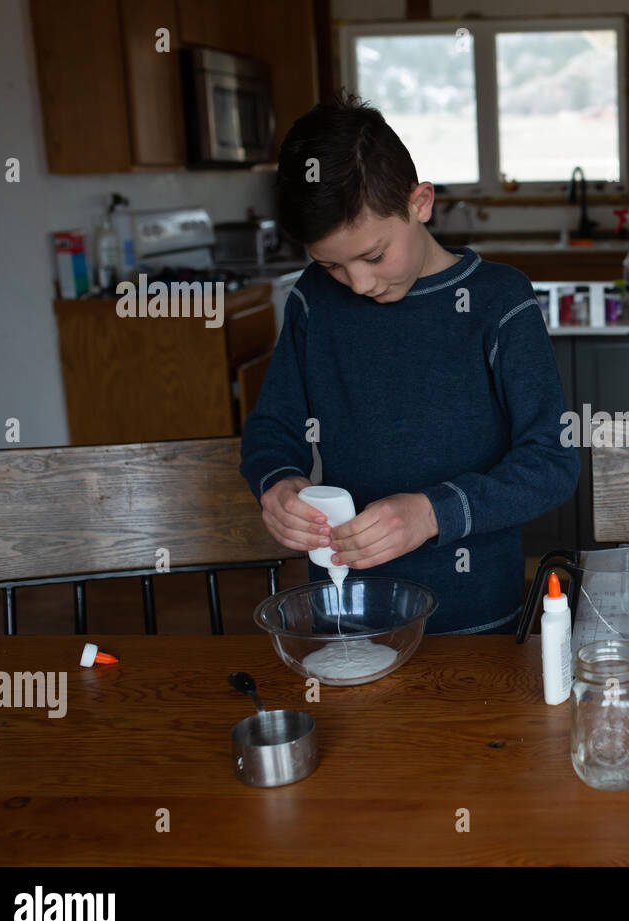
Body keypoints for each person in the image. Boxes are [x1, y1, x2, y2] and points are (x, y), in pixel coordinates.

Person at [240, 93, 580, 635]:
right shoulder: (313, 301)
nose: (360, 283)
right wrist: (277, 482)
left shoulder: (499, 302)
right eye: (330, 264)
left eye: (374, 255)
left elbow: (551, 463)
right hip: (350, 611)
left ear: (420, 202)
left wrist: (430, 513)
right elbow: (273, 425)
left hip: (478, 618)